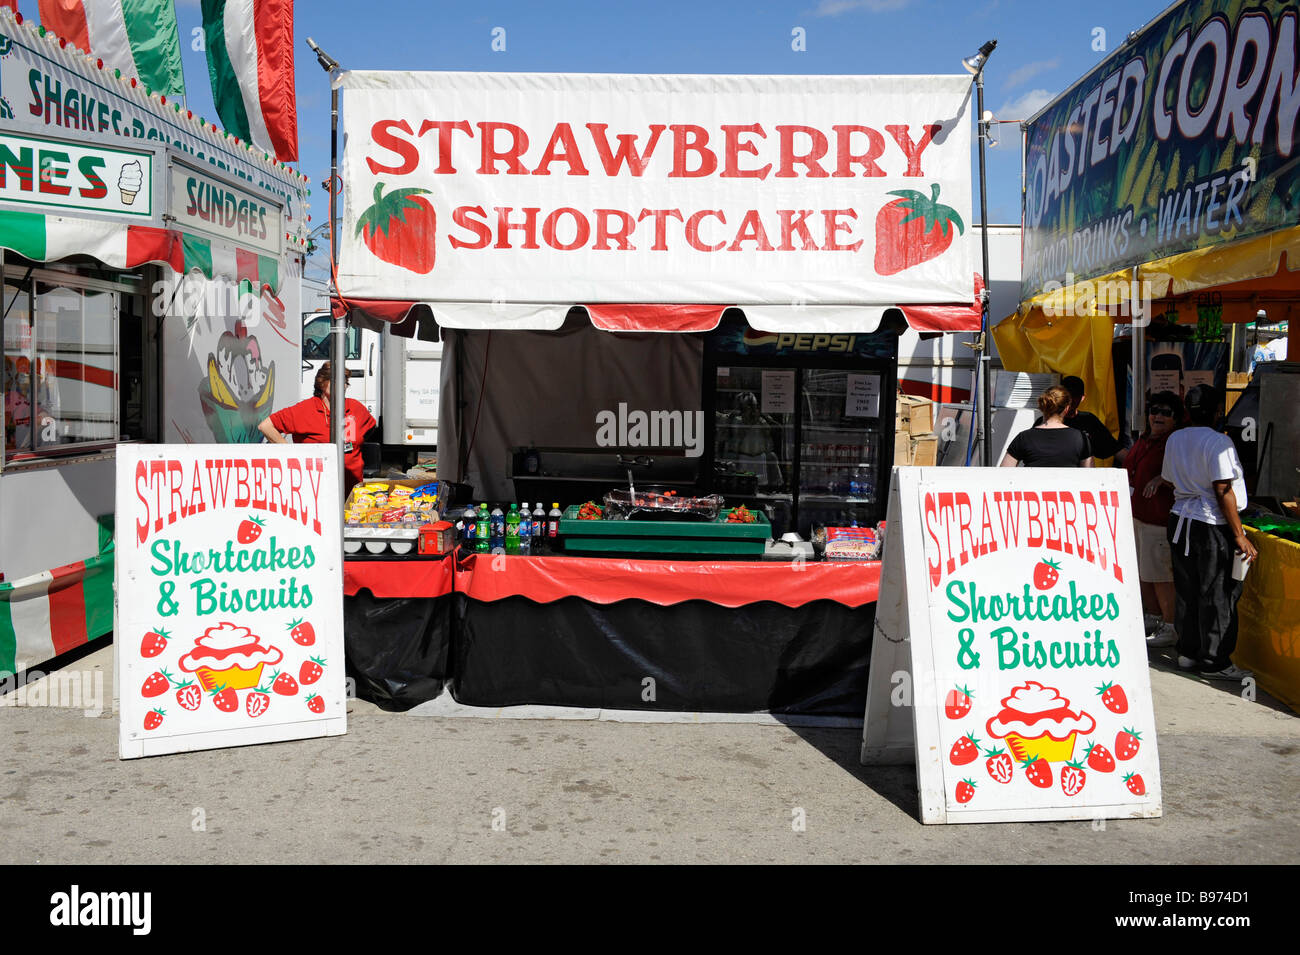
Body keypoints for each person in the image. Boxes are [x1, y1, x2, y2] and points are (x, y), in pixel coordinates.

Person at [1160, 384, 1257, 681]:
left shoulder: (1176, 438)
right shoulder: (1218, 442)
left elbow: (1169, 480)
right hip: (1211, 525)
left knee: (1188, 589)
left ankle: (1188, 652)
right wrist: (1239, 534)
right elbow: (1222, 488)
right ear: (1217, 412)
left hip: (1181, 520)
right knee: (1217, 593)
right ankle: (1214, 661)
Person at [258, 362, 376, 496]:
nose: (341, 384)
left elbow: (370, 429)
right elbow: (266, 426)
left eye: (344, 381)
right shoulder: (305, 409)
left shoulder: (355, 408)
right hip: (316, 491)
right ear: (322, 383)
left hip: (352, 492)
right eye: (335, 379)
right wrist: (291, 453)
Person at [1124, 391, 1182, 649]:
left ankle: (1170, 627)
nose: (1158, 416)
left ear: (1176, 419)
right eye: (1154, 410)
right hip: (1138, 517)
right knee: (1144, 575)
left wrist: (1163, 479)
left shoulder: (1175, 443)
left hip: (1159, 520)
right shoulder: (1145, 439)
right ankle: (1153, 617)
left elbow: (1186, 476)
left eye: (1166, 412)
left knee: (1160, 577)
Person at [1001, 385, 1094, 468]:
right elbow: (1090, 476)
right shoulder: (1080, 438)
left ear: (1042, 406)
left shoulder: (1024, 437)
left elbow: (1004, 473)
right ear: (1066, 409)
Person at [1046, 375, 1122, 461]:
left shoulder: (1089, 421)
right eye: (1067, 395)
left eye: (1075, 395)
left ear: (1082, 398)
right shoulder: (1046, 421)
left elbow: (1113, 448)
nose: (1070, 400)